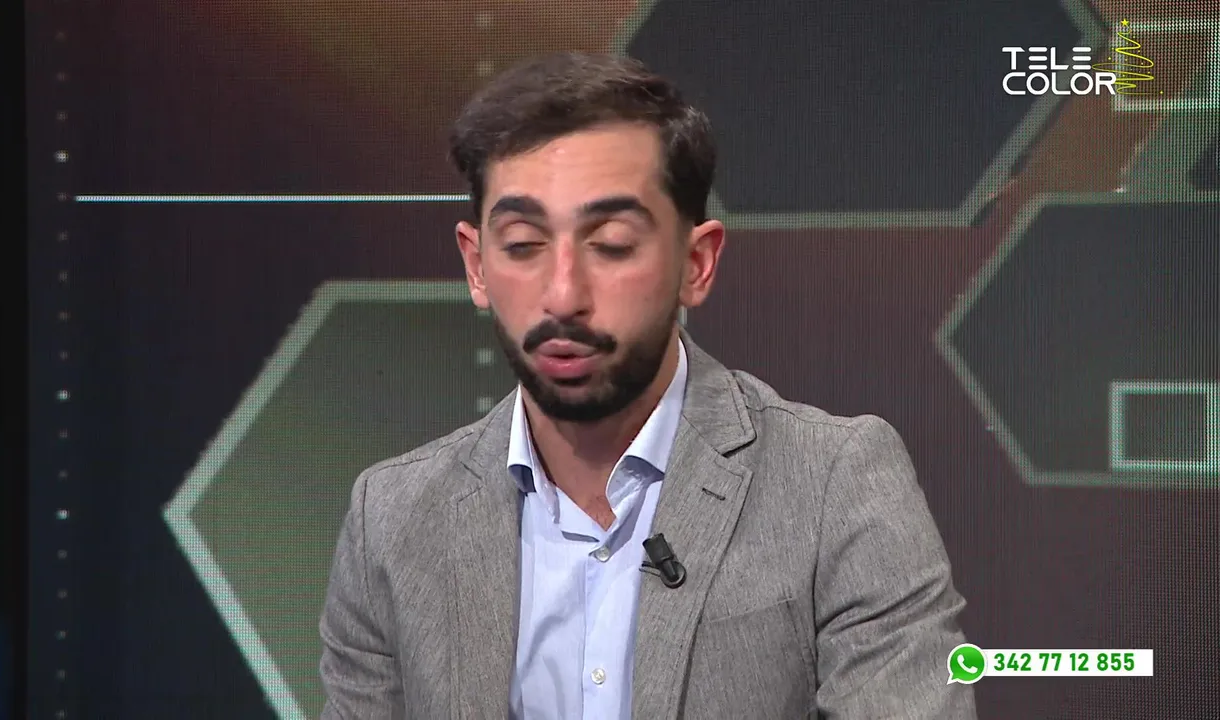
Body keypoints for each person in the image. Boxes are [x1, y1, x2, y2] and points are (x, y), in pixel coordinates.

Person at [318, 51, 976, 720]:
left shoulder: (833, 484)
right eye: (522, 244)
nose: (563, 296)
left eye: (611, 243)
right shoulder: (393, 520)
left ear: (696, 262)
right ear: (477, 265)